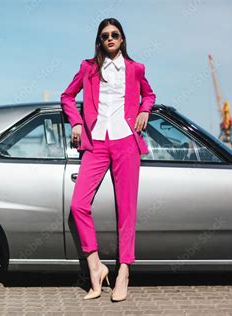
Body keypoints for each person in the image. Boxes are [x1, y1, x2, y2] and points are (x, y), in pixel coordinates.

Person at [60, 18, 156, 302]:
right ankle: (96, 266)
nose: (110, 38)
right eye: (105, 35)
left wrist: (144, 110)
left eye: (115, 34)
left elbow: (149, 95)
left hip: (126, 141)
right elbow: (67, 96)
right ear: (99, 41)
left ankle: (123, 271)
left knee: (126, 210)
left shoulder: (136, 69)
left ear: (122, 39)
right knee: (78, 205)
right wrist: (76, 123)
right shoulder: (88, 68)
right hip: (96, 143)